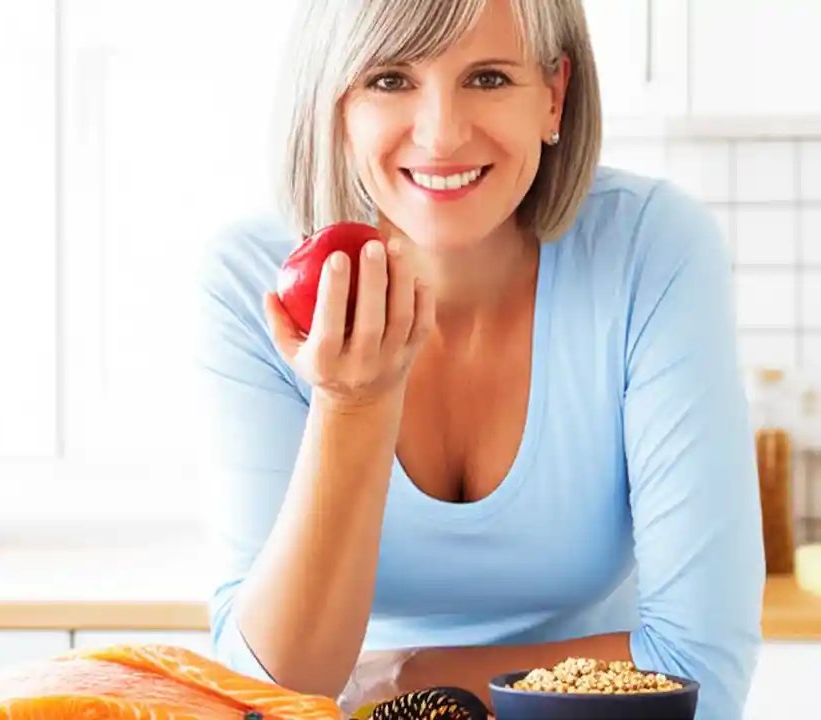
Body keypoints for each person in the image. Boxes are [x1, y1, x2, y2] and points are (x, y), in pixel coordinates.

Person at [192, 0, 765, 718]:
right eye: (391, 79)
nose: (442, 134)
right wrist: (353, 405)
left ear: (553, 97)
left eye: (489, 79)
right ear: (335, 102)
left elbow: (699, 671)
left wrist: (404, 675)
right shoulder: (254, 281)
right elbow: (266, 689)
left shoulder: (651, 249)